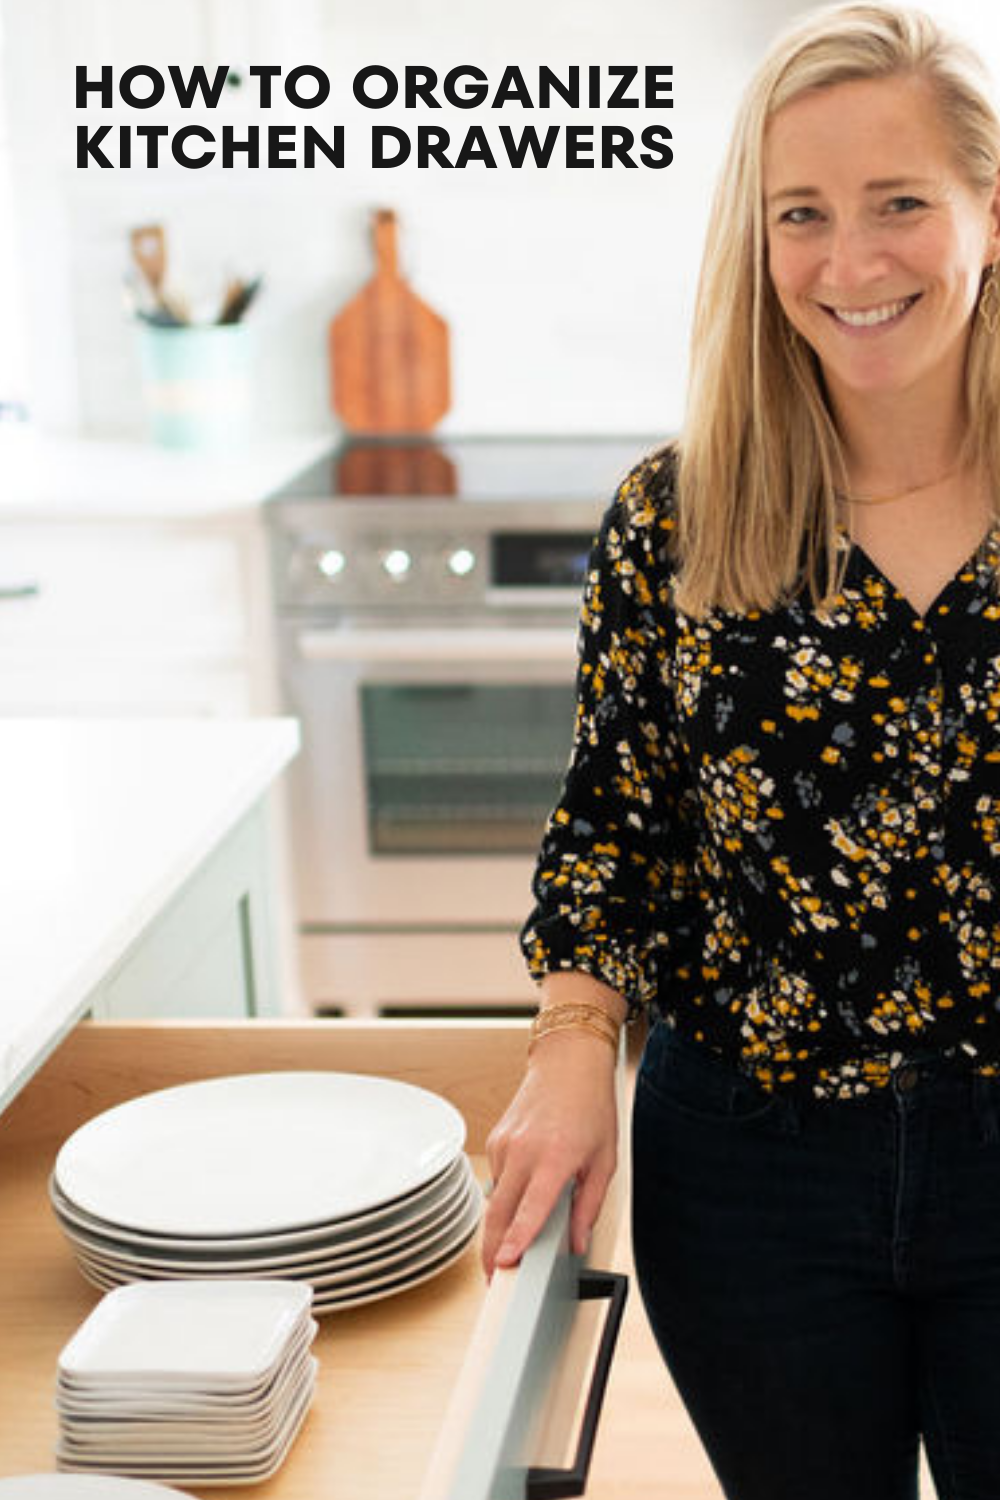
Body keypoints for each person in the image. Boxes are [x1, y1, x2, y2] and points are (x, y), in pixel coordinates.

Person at [482, 4, 1000, 1497]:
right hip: (754, 1170)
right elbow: (615, 823)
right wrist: (573, 1049)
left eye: (901, 202)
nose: (853, 263)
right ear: (757, 241)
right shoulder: (681, 513)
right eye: (804, 216)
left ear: (987, 212)